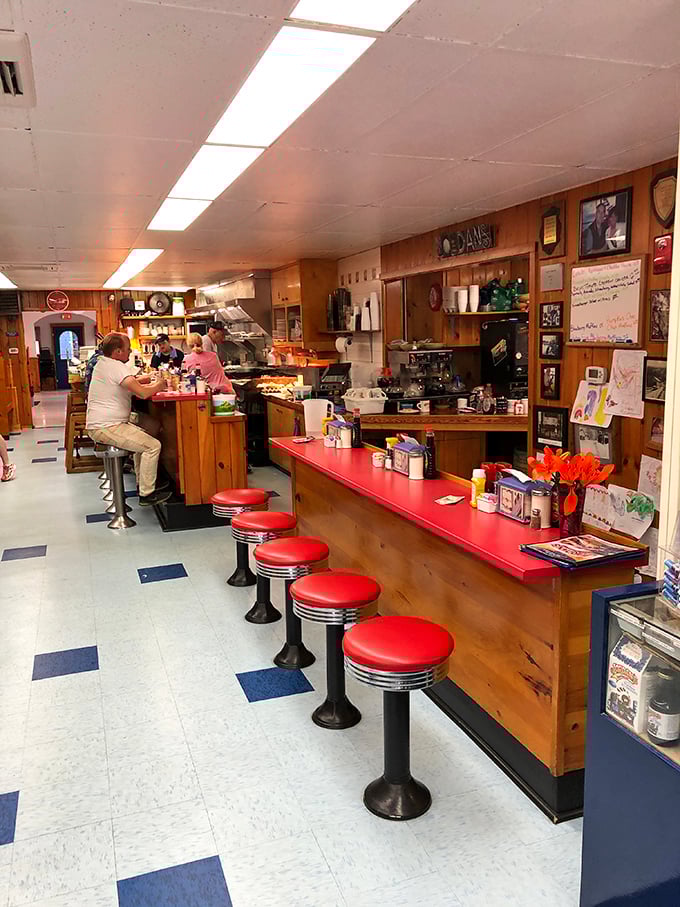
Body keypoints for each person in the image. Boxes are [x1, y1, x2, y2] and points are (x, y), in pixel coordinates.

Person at [86, 332, 171, 507]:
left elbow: (131, 386)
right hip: (106, 426)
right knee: (153, 446)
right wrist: (160, 385)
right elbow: (142, 392)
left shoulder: (104, 363)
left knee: (149, 430)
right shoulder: (116, 367)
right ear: (117, 352)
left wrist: (149, 383)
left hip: (107, 423)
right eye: (127, 349)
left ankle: (144, 482)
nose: (130, 351)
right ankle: (147, 494)